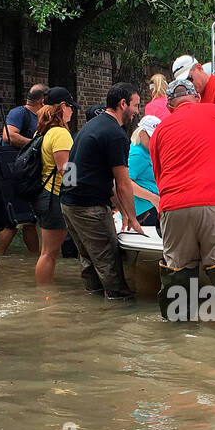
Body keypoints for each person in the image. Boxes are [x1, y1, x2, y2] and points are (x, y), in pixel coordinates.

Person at [148, 77, 215, 320]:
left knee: (177, 276)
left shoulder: (159, 131)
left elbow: (161, 180)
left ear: (170, 107)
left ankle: (176, 337)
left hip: (175, 208)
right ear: (197, 98)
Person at [59, 83, 145, 299]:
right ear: (122, 104)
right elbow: (123, 182)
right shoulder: (115, 134)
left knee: (88, 259)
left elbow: (73, 167)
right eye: (135, 105)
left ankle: (94, 306)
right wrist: (133, 218)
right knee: (109, 264)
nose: (137, 111)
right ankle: (119, 308)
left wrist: (122, 210)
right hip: (89, 207)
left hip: (69, 202)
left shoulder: (88, 127)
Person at [0, 83, 48, 256]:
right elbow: (8, 135)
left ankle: (35, 257)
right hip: (16, 174)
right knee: (14, 219)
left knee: (29, 219)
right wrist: (36, 145)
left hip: (28, 175)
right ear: (42, 100)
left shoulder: (39, 116)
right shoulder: (20, 113)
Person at [30, 86, 76, 286]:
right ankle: (45, 295)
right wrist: (76, 193)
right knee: (49, 253)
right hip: (55, 197)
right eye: (71, 107)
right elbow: (66, 170)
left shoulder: (41, 132)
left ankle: (44, 292)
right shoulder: (60, 134)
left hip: (43, 194)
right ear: (63, 106)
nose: (73, 112)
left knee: (46, 251)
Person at [128, 114, 162, 227]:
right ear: (141, 133)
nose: (155, 141)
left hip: (150, 207)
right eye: (151, 137)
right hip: (143, 211)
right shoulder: (137, 153)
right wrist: (153, 198)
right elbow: (126, 183)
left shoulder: (148, 151)